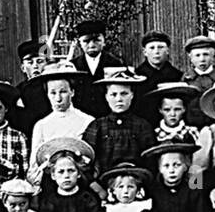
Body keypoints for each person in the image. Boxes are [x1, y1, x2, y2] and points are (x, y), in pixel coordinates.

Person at [82, 66, 153, 194]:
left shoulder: (142, 125)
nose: (119, 99)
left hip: (136, 188)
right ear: (106, 97)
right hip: (104, 188)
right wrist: (97, 189)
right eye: (113, 94)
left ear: (132, 95)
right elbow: (84, 162)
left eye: (124, 94)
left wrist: (141, 187)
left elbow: (150, 161)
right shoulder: (97, 126)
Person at [28, 61, 96, 180]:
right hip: (50, 180)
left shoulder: (87, 121)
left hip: (81, 180)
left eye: (63, 92)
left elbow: (92, 160)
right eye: (53, 93)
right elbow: (34, 165)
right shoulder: (42, 125)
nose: (58, 98)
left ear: (72, 92)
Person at [69, 17, 126, 116]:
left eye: (96, 40)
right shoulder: (73, 66)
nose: (92, 45)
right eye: (86, 41)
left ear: (104, 41)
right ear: (80, 43)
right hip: (81, 117)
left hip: (107, 116)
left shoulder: (115, 63)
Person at [131, 31, 184, 119]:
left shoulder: (177, 76)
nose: (156, 51)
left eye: (160, 47)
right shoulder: (136, 77)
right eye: (152, 48)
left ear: (167, 50)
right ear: (145, 52)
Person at [181, 35, 215, 128]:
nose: (202, 59)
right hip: (192, 126)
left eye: (206, 54)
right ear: (190, 57)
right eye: (197, 55)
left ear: (213, 56)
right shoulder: (186, 79)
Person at [143, 82, 201, 146]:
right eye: (167, 110)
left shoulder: (192, 132)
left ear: (184, 109)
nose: (172, 114)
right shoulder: (154, 134)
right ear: (160, 110)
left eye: (177, 109)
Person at [13, 39, 51, 137]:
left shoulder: (53, 87)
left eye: (40, 61)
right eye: (30, 62)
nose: (35, 66)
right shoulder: (17, 92)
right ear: (23, 68)